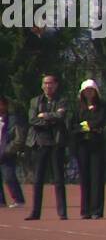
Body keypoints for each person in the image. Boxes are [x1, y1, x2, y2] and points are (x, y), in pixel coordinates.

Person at [25, 74, 69, 220]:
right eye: (45, 83)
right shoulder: (35, 101)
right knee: (38, 180)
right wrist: (49, 119)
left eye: (50, 83)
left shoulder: (62, 100)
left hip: (56, 143)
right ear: (42, 85)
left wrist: (44, 115)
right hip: (39, 143)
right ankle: (35, 212)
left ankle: (62, 212)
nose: (48, 86)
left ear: (56, 85)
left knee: (58, 179)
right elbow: (32, 120)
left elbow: (61, 116)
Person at [74, 79, 106, 219]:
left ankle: (97, 210)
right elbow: (74, 126)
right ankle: (85, 210)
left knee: (97, 178)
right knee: (85, 178)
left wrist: (86, 125)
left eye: (91, 90)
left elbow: (100, 121)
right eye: (86, 91)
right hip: (82, 145)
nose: (89, 93)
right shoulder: (78, 108)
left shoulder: (102, 106)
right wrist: (88, 127)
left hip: (97, 145)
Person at [0, 96, 26, 208]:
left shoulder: (13, 119)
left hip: (7, 152)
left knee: (9, 176)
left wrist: (9, 150)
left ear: (5, 105)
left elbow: (19, 138)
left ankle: (18, 200)